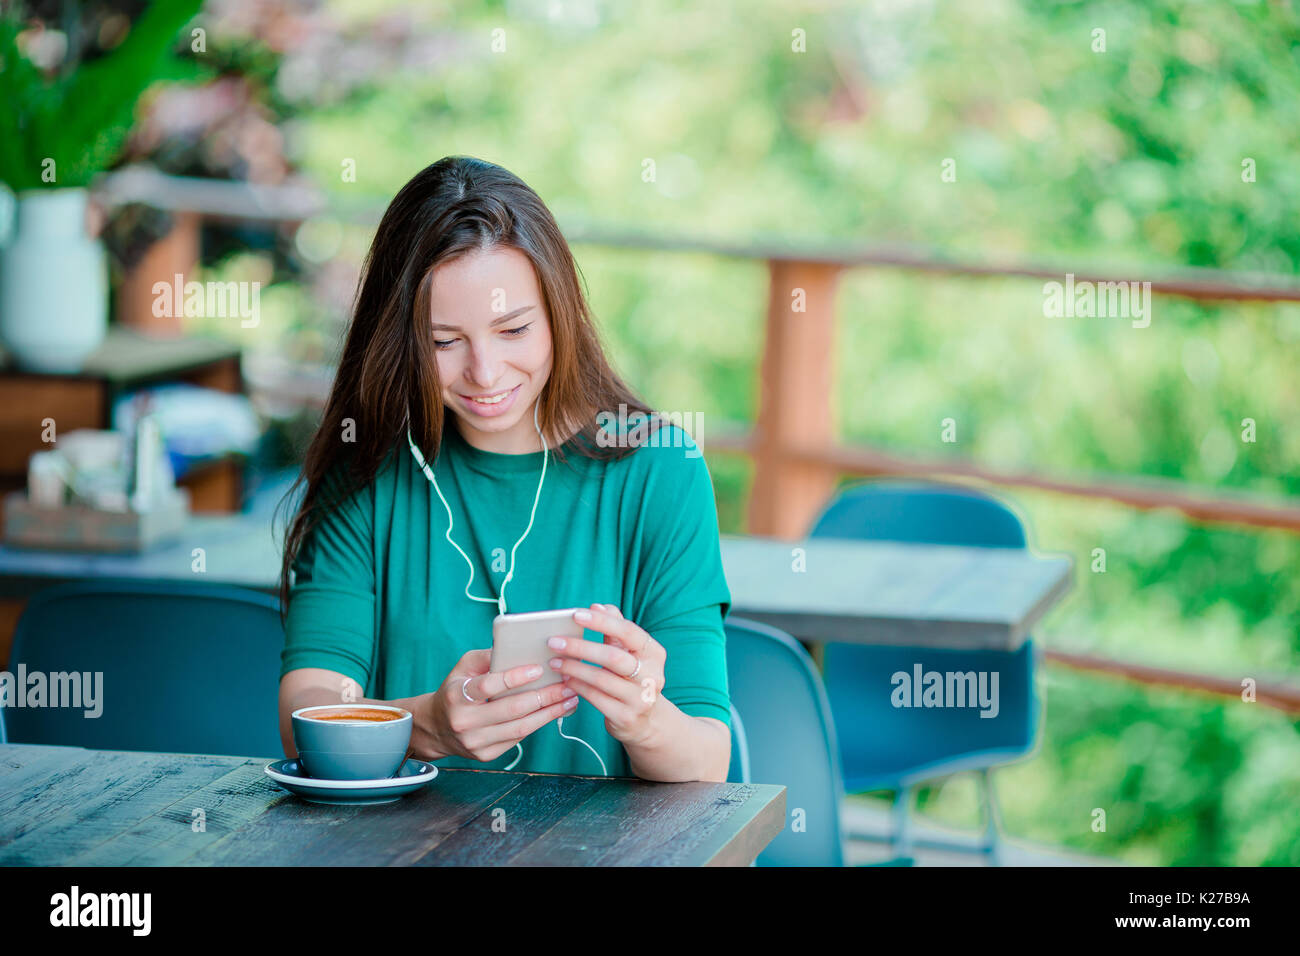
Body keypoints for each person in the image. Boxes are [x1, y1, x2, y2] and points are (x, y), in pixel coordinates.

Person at [276, 156, 732, 781]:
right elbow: (307, 717)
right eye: (443, 342)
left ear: (559, 314)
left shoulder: (659, 471)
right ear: (399, 340)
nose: (485, 373)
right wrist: (427, 725)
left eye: (513, 329)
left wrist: (645, 719)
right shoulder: (369, 470)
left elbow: (710, 759)